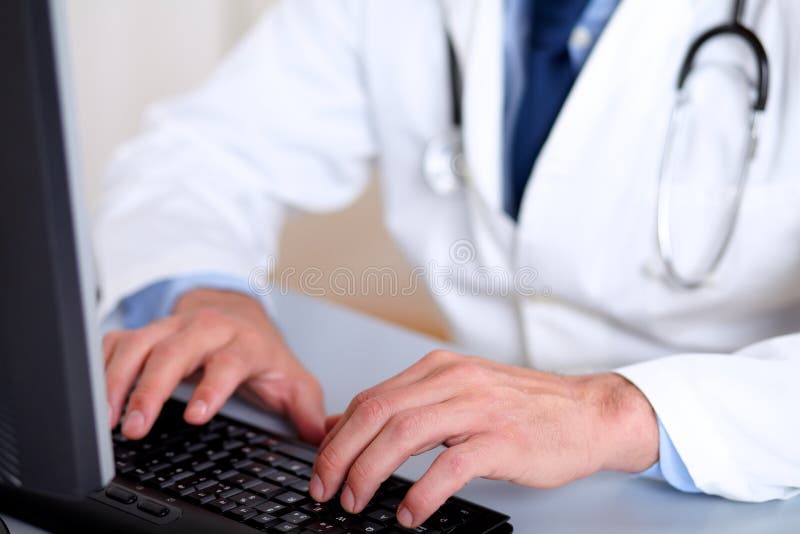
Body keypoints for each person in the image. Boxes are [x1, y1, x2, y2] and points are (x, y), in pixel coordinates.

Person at [95, 0, 800, 529]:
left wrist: (620, 411)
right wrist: (207, 293)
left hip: (741, 485)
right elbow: (206, 151)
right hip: (469, 472)